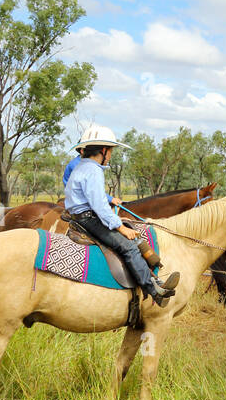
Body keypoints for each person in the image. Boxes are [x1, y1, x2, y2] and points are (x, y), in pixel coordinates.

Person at [63, 126, 179, 307]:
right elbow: (100, 205)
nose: (110, 156)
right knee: (129, 248)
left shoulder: (81, 166)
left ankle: (153, 279)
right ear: (103, 151)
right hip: (89, 218)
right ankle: (154, 290)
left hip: (79, 216)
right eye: (110, 151)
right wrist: (120, 227)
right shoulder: (93, 170)